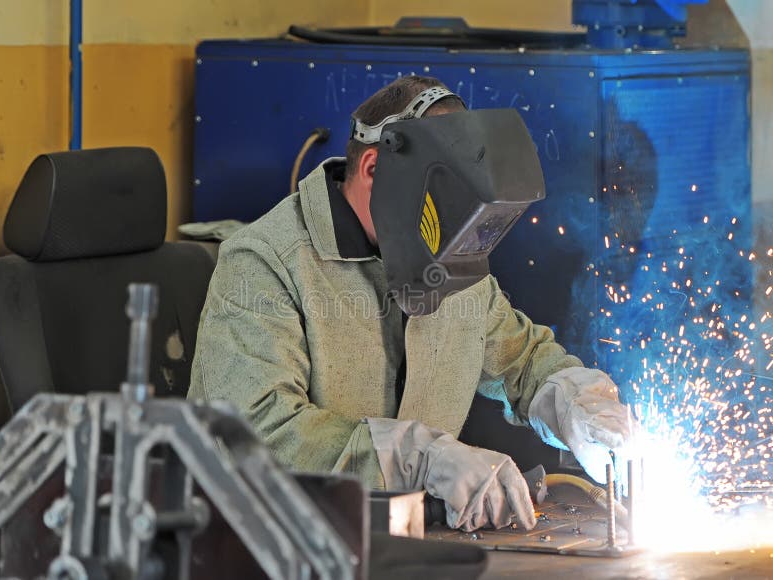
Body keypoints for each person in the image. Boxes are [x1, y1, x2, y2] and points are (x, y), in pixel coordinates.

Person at [188, 76, 635, 532]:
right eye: (439, 204)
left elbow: (520, 360)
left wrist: (575, 400)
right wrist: (416, 458)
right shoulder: (265, 264)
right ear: (374, 169)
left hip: (402, 542)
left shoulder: (446, 261)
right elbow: (256, 435)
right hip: (276, 544)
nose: (452, 233)